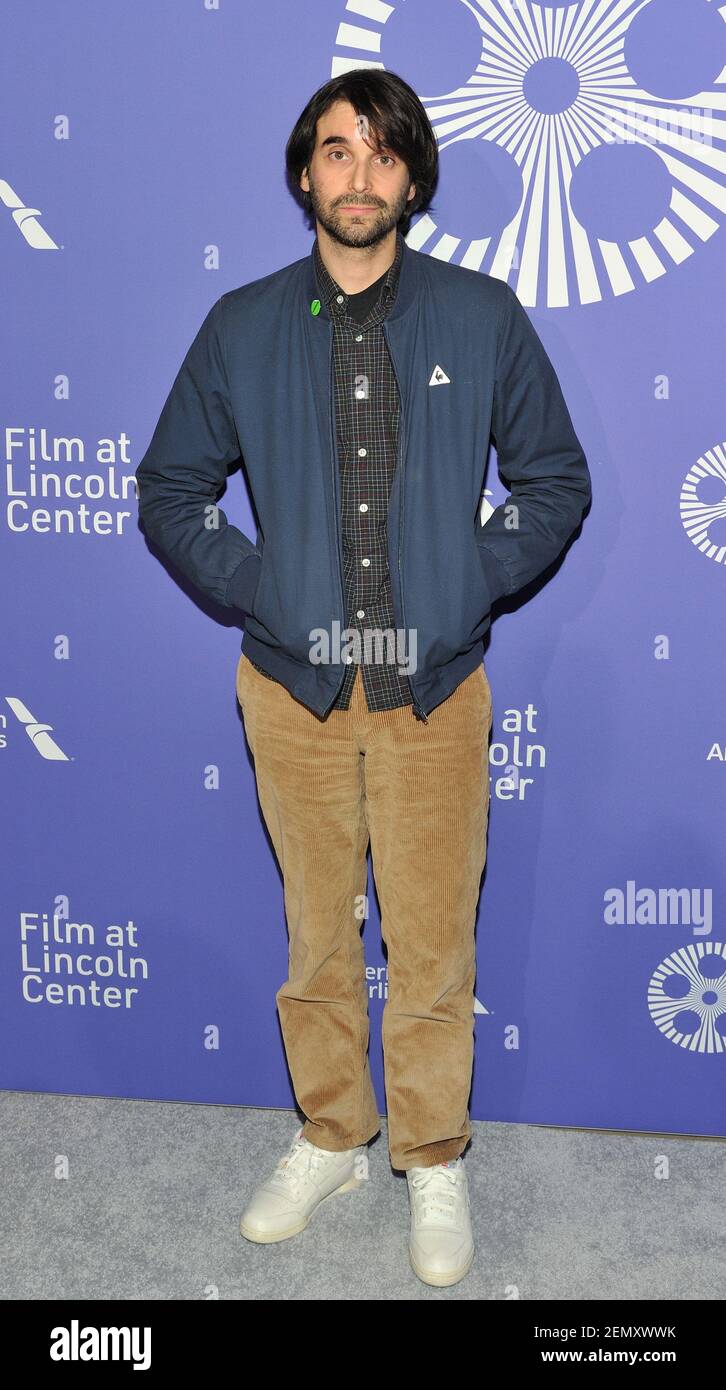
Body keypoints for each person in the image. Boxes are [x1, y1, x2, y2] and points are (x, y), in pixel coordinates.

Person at [135, 68, 591, 1288]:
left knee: (433, 945)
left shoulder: (481, 316)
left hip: (431, 692)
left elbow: (555, 481)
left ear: (412, 181)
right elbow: (169, 489)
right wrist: (264, 590)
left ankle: (432, 1155)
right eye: (338, 150)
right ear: (306, 173)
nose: (360, 174)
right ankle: (335, 1133)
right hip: (293, 690)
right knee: (316, 936)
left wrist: (463, 583)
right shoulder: (242, 324)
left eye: (384, 154)